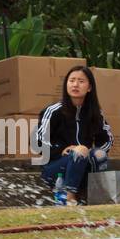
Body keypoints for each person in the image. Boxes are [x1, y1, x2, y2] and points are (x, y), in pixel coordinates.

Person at [33, 65, 112, 205]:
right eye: (72, 80)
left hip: (82, 162)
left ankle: (90, 196)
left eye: (81, 81)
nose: (75, 84)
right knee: (80, 151)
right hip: (55, 167)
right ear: (66, 85)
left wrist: (93, 151)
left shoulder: (95, 113)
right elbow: (37, 141)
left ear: (89, 87)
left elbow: (107, 140)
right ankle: (69, 198)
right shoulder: (54, 111)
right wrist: (60, 150)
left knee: (100, 155)